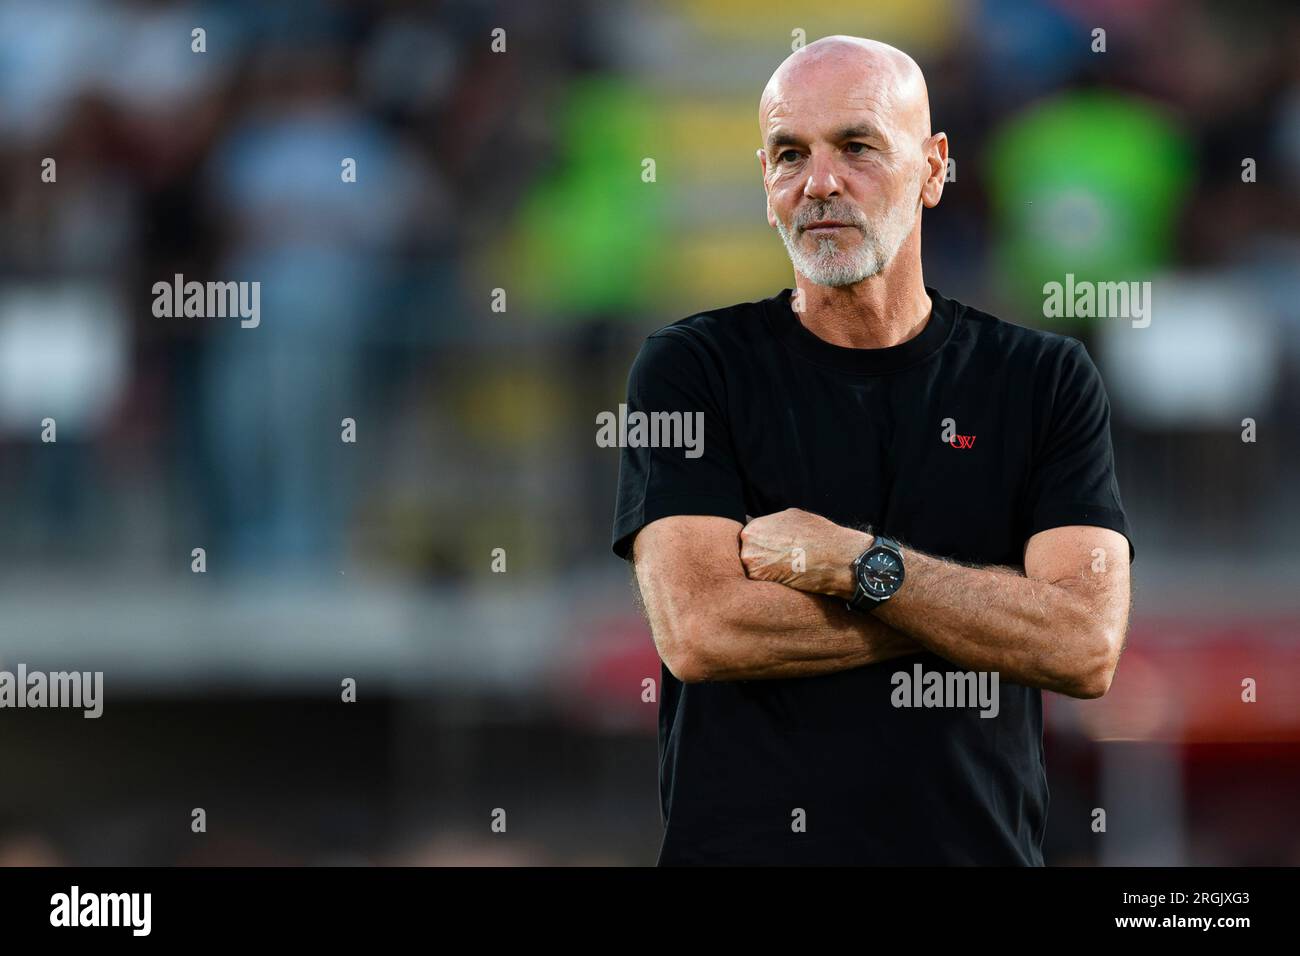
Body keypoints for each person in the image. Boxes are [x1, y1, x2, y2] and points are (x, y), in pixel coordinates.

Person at [610, 35, 1134, 865]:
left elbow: (1084, 647)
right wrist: (984, 606)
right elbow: (703, 629)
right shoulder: (690, 369)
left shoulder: (1043, 379)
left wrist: (856, 563)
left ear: (932, 169)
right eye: (791, 155)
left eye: (856, 147)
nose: (820, 183)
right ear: (766, 184)